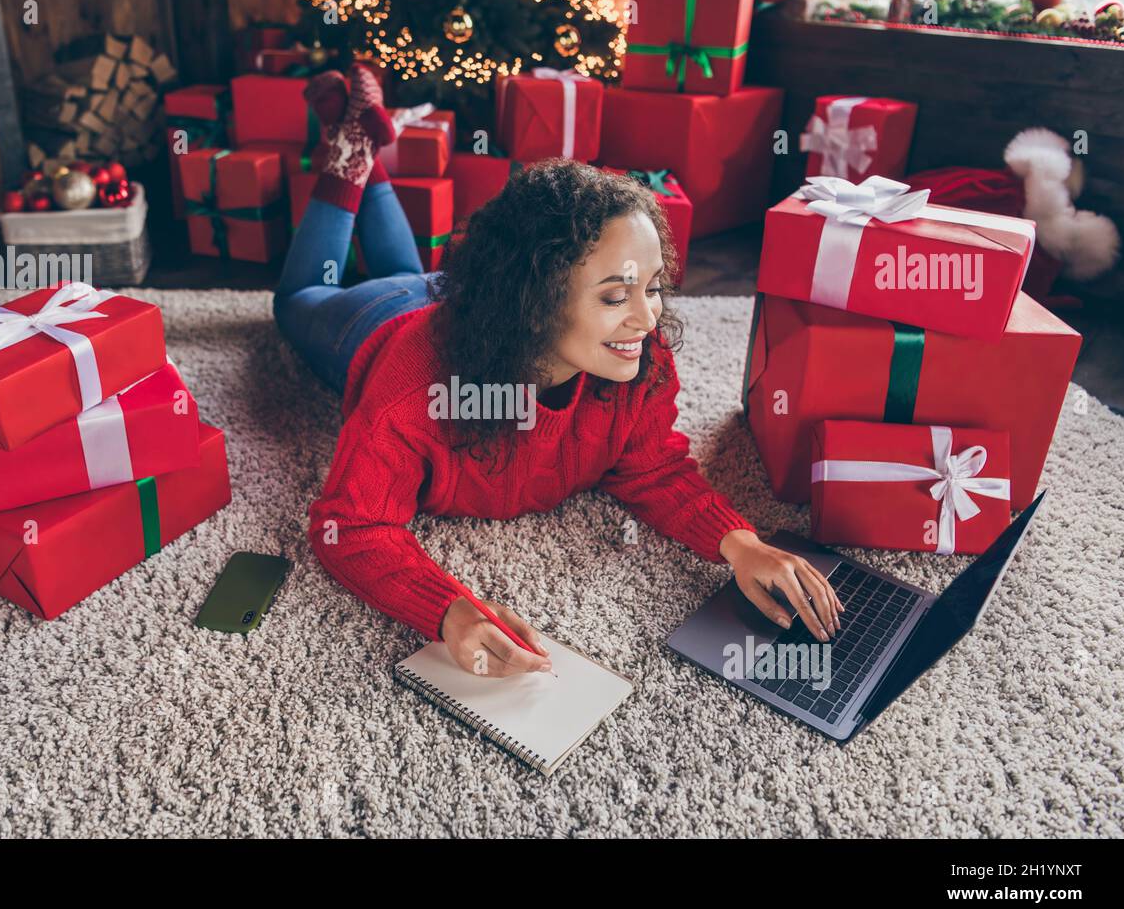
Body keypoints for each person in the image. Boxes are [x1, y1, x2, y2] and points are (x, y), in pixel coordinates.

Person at [273, 64, 843, 677]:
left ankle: (361, 143)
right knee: (299, 299)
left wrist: (742, 544)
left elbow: (649, 465)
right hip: (379, 324)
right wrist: (450, 610)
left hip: (463, 300)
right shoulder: (417, 392)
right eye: (614, 296)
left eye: (653, 287)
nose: (648, 319)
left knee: (409, 267)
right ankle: (350, 153)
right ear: (535, 299)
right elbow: (352, 524)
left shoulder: (635, 359)